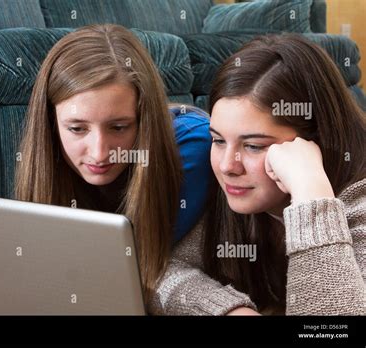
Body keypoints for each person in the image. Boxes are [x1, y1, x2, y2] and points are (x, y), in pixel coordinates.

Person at [0, 24, 211, 314]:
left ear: (144, 118)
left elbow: (115, 277)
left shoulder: (194, 145)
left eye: (119, 127)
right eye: (77, 129)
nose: (99, 153)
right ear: (51, 124)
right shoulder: (51, 161)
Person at [150, 34, 365, 315]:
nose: (228, 165)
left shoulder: (358, 204)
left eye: (253, 146)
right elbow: (159, 273)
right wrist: (228, 310)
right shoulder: (236, 187)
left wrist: (310, 194)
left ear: (315, 142)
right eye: (218, 140)